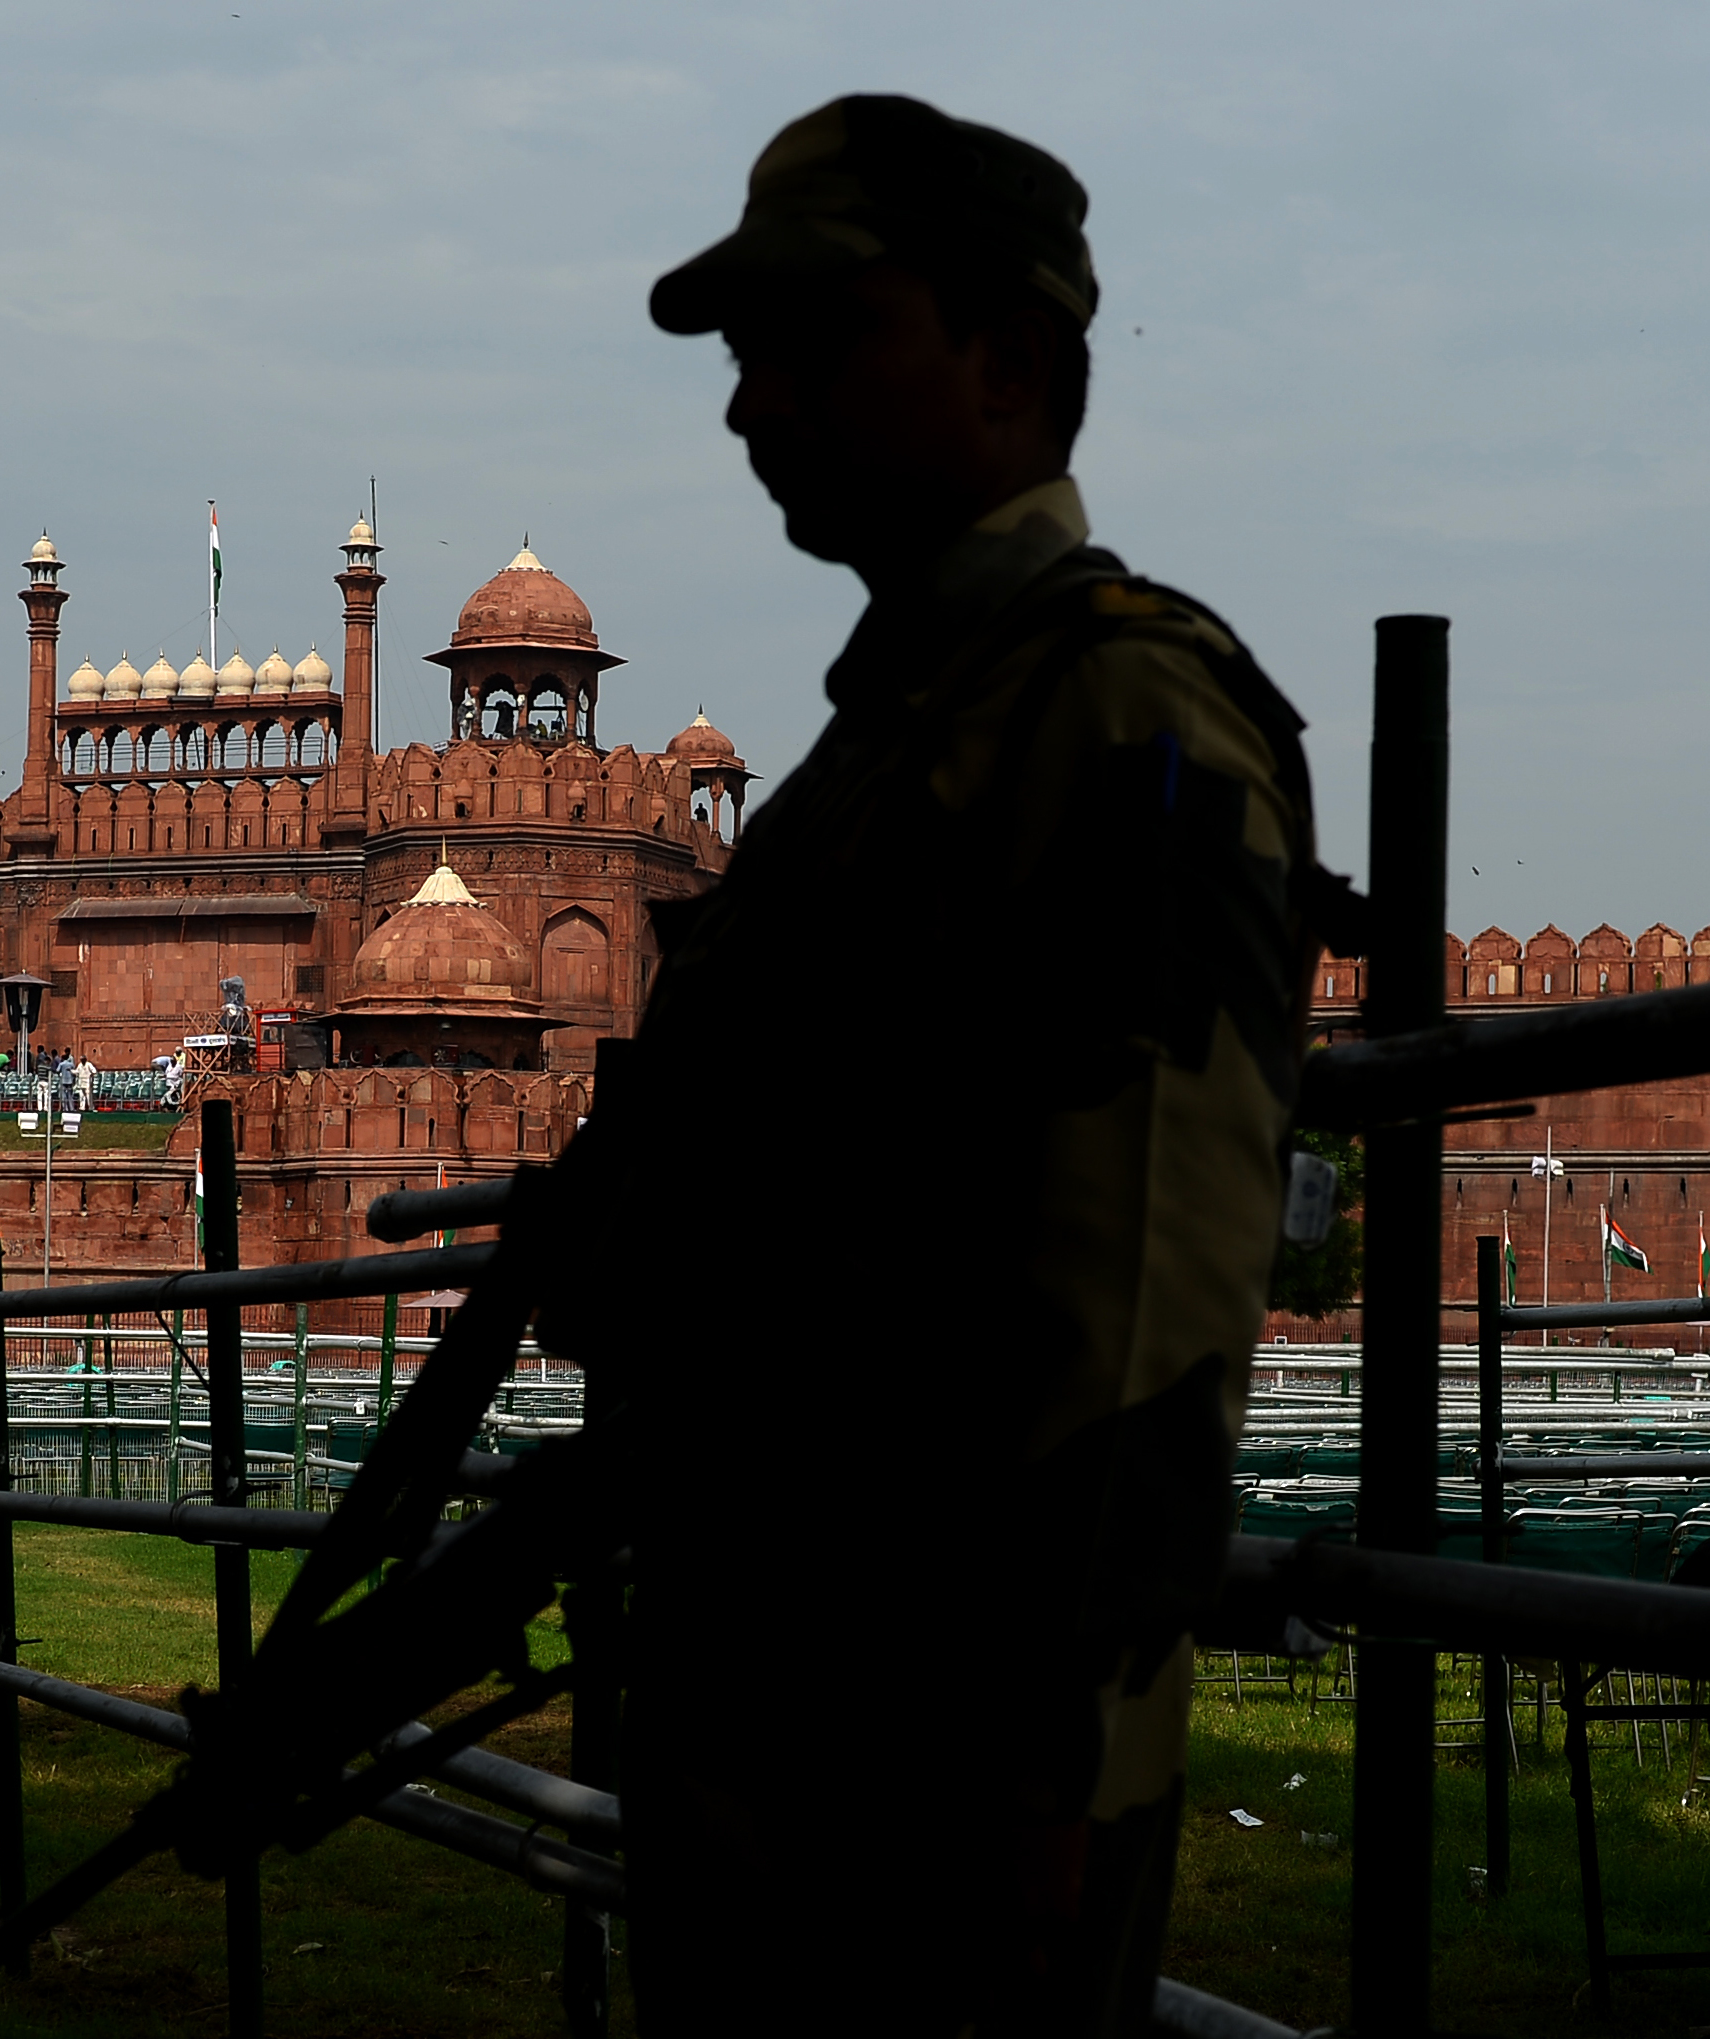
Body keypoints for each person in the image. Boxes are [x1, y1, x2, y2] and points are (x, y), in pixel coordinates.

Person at [556, 96, 1329, 2037]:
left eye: (818, 340)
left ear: (1004, 360)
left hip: (948, 1784)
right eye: (748, 357)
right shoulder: (892, 753)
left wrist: (1034, 1799)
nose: (756, 405)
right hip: (774, 1724)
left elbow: (1134, 1303)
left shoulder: (1115, 719)